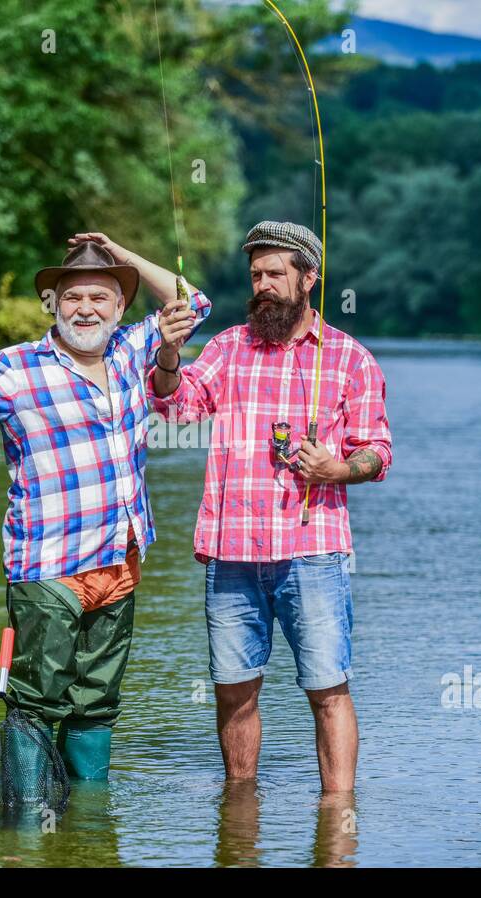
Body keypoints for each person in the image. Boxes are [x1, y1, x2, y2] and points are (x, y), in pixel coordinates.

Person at [0, 236, 210, 779]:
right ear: (52, 305)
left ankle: (86, 824)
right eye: (72, 297)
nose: (85, 309)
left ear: (121, 307)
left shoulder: (132, 349)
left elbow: (193, 301)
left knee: (97, 702)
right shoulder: (18, 368)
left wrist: (119, 255)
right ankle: (32, 831)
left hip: (119, 563)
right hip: (48, 569)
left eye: (100, 297)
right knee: (36, 702)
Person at [149, 220, 391, 792]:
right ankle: (240, 814)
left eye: (276, 273)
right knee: (233, 689)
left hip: (313, 554)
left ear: (310, 278)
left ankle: (337, 819)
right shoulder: (229, 347)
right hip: (232, 553)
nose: (263, 285)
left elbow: (378, 453)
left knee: (328, 688)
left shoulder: (350, 360)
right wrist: (167, 356)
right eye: (256, 274)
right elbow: (174, 409)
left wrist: (337, 468)